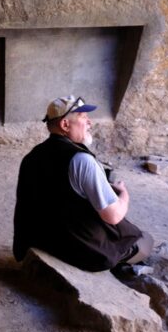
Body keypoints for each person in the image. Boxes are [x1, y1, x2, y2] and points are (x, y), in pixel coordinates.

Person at [13, 95, 153, 273]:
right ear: (65, 125)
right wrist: (124, 194)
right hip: (77, 250)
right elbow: (114, 216)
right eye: (83, 117)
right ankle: (122, 266)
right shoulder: (81, 160)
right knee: (145, 242)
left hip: (36, 240)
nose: (90, 123)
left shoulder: (31, 156)